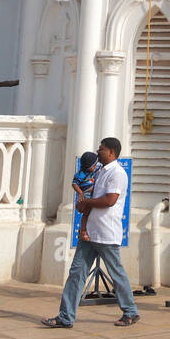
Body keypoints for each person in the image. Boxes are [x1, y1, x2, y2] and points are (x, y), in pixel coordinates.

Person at [42, 137, 140, 329]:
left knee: (116, 273)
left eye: (102, 149)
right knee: (77, 273)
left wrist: (86, 203)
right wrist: (84, 222)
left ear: (112, 152)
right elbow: (91, 197)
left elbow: (110, 200)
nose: (98, 152)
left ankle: (130, 311)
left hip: (106, 232)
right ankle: (66, 316)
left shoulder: (118, 173)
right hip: (91, 233)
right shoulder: (100, 171)